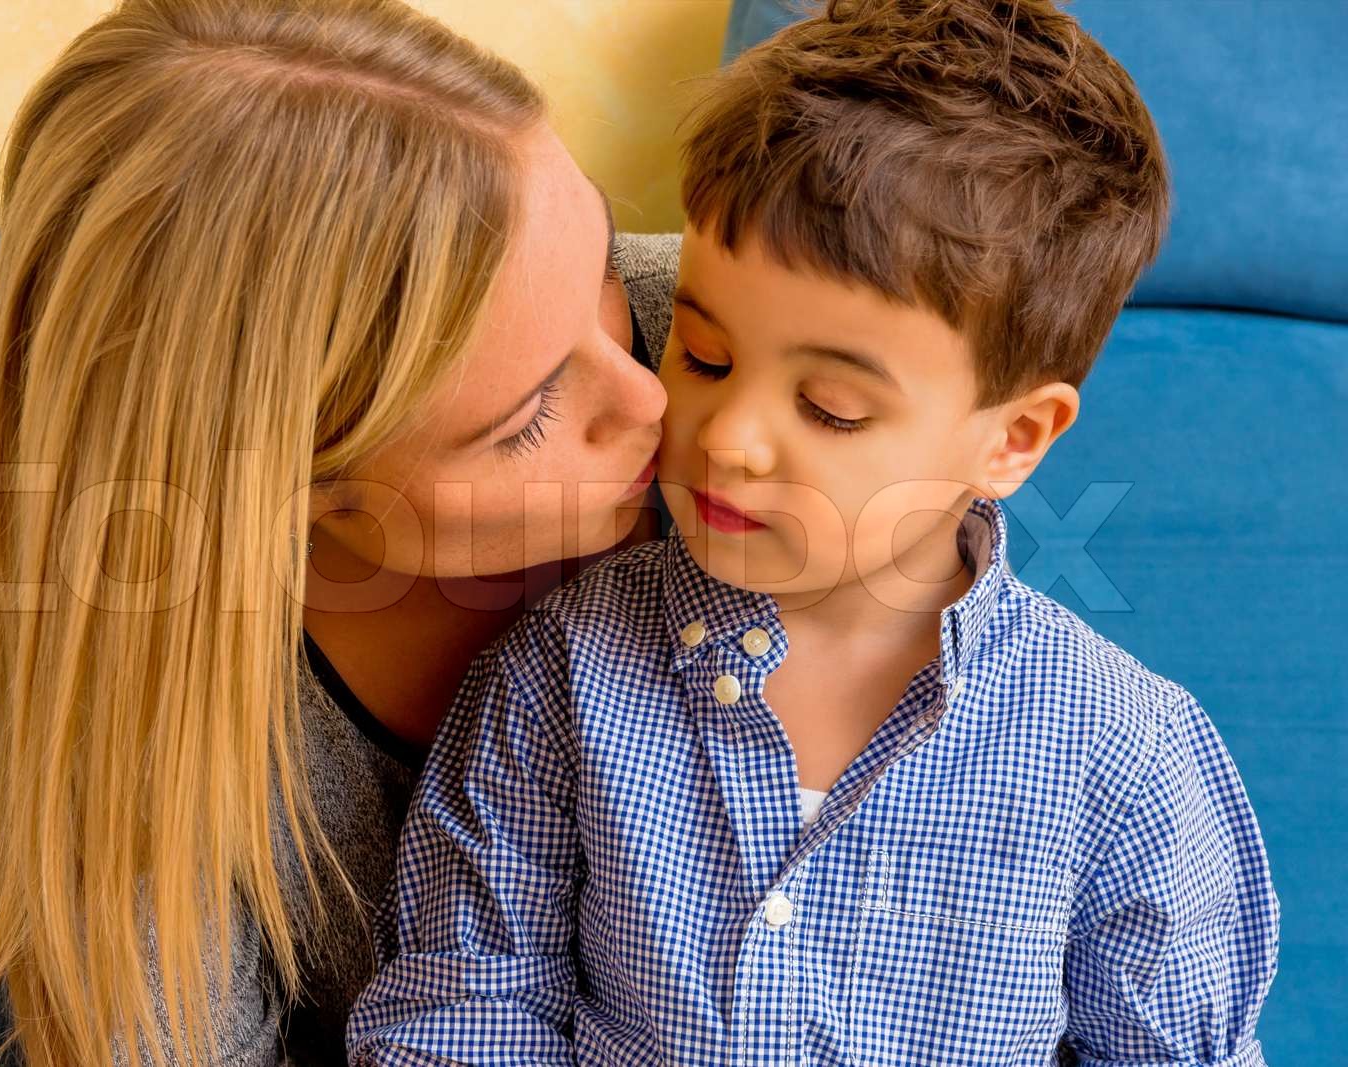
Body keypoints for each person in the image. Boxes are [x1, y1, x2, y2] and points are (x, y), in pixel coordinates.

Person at [346, 1, 1281, 1063]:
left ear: (1015, 438)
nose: (728, 437)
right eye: (701, 356)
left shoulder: (1122, 753)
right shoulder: (560, 673)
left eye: (832, 409)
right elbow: (461, 1012)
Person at [0, 1, 680, 1064]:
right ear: (281, 496)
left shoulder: (757, 329)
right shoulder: (129, 722)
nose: (652, 396)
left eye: (602, 263)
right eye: (524, 419)